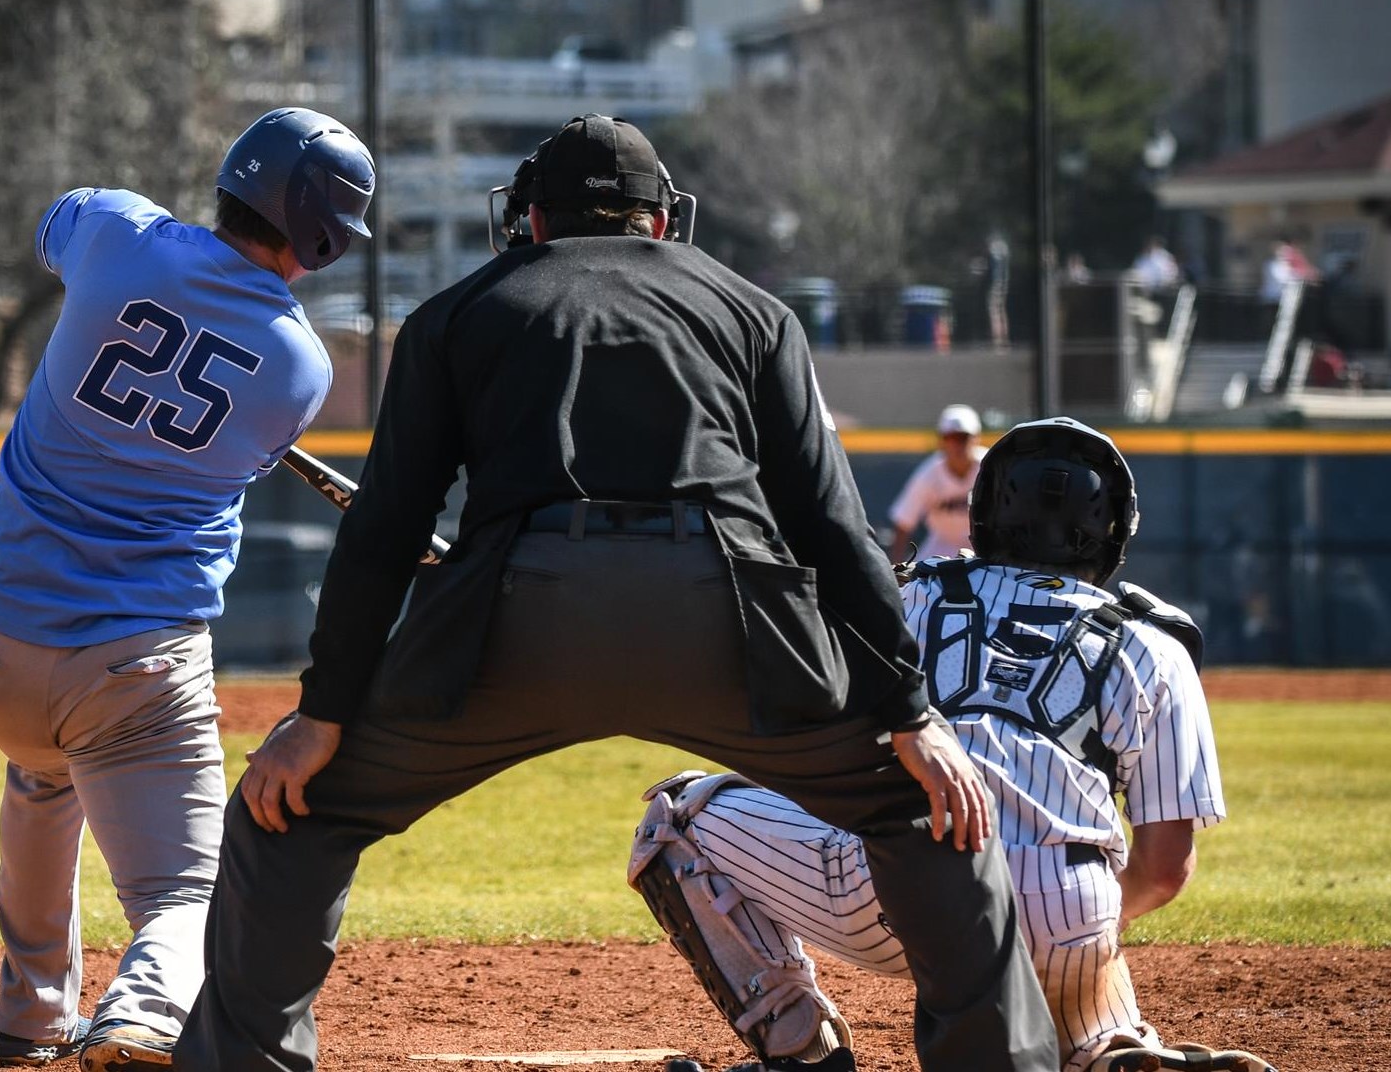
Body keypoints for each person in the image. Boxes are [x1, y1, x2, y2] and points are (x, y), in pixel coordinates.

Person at [174, 114, 1057, 1072]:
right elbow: (832, 530)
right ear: (661, 222)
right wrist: (910, 715)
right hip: (731, 620)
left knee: (290, 806)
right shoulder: (755, 313)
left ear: (531, 223)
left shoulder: (456, 313)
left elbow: (381, 536)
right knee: (928, 808)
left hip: (515, 621)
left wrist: (322, 713)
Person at [0, 107, 373, 1070]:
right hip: (130, 669)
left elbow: (61, 222)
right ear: (322, 235)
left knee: (42, 771)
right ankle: (138, 1011)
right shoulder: (297, 370)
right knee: (190, 896)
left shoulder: (119, 233)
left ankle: (31, 1016)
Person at [628, 418, 1272, 1072]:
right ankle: (1107, 1048)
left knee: (674, 819)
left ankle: (800, 1050)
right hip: (1071, 908)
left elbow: (804, 708)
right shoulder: (1156, 648)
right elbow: (1165, 869)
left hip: (907, 893)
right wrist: (1102, 921)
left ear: (985, 509)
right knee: (1072, 948)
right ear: (1114, 529)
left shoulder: (915, 592)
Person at [887, 403, 984, 563]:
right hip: (942, 546)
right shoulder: (928, 474)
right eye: (950, 437)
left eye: (962, 437)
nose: (956, 445)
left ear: (976, 438)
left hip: (984, 546)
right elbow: (903, 522)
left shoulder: (989, 467)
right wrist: (895, 569)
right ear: (941, 441)